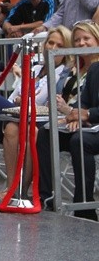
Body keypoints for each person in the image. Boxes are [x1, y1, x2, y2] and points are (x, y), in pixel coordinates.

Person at [0, 26, 74, 200]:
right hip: (16, 115)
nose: (53, 48)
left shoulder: (63, 74)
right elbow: (14, 96)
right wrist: (19, 101)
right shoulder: (35, 68)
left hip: (40, 120)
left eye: (59, 45)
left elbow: (52, 105)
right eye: (50, 42)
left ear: (67, 50)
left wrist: (25, 102)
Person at [37, 20, 99, 216]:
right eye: (77, 40)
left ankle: (84, 206)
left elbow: (88, 110)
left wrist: (86, 114)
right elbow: (85, 103)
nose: (81, 43)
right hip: (90, 125)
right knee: (47, 132)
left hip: (92, 127)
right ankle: (47, 199)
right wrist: (74, 115)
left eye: (86, 38)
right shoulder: (92, 70)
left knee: (79, 140)